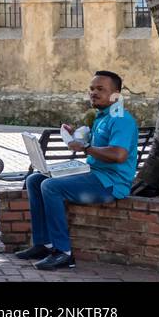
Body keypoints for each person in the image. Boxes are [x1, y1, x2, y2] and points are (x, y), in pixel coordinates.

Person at [15, 71, 139, 271]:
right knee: (35, 179)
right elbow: (97, 146)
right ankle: (43, 244)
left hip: (111, 183)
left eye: (100, 89)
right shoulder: (102, 116)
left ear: (116, 95)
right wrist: (75, 137)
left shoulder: (121, 119)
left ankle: (63, 253)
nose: (94, 93)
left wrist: (85, 148)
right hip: (94, 173)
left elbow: (118, 155)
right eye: (91, 89)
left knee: (50, 186)